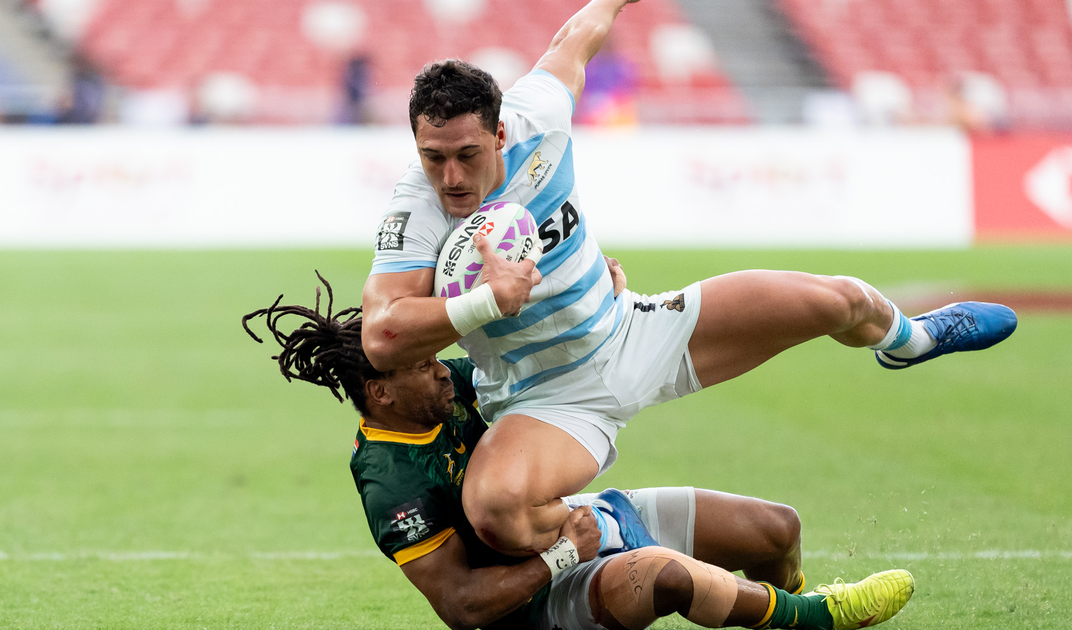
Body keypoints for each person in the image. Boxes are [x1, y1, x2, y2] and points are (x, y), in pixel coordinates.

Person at [359, 0, 1017, 558]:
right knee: (497, 512)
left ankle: (911, 341)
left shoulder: (541, 114)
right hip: (545, 399)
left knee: (837, 299)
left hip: (634, 329)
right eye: (432, 157)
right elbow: (383, 338)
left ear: (501, 133)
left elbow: (575, 38)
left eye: (466, 156)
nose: (450, 178)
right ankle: (616, 521)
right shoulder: (414, 213)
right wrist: (485, 301)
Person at [240, 275, 916, 630]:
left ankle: (780, 607)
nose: (441, 368)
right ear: (380, 396)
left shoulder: (453, 384)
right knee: (665, 577)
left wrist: (602, 301)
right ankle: (815, 619)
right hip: (535, 600)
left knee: (775, 529)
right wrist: (562, 556)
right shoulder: (390, 479)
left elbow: (558, 372)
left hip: (581, 522)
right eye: (419, 366)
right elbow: (461, 607)